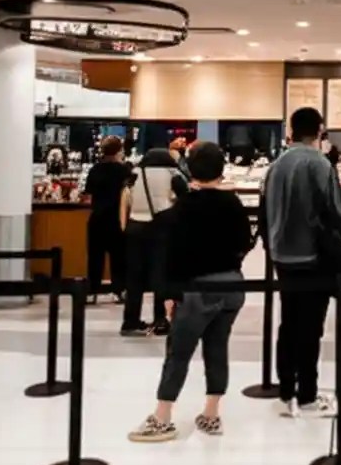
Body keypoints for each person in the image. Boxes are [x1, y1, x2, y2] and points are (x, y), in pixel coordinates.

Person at [129, 142, 250, 442]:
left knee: (179, 353)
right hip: (232, 286)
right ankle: (211, 413)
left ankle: (163, 416)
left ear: (189, 169)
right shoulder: (233, 204)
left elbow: (172, 256)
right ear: (221, 170)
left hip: (196, 290)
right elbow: (245, 242)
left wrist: (170, 294)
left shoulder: (181, 209)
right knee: (217, 347)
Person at [263, 106, 341, 418]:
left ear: (291, 129)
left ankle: (286, 388)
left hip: (281, 256)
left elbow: (264, 211)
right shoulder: (319, 163)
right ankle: (309, 395)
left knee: (289, 323)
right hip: (312, 257)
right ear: (319, 130)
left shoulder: (276, 165)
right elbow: (334, 212)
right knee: (311, 327)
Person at [124, 147, 189, 336]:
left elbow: (127, 198)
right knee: (160, 273)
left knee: (134, 277)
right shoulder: (173, 174)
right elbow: (185, 199)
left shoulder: (135, 173)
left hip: (135, 226)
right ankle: (160, 319)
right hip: (161, 227)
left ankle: (130, 320)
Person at [83, 136, 130, 305]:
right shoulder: (124, 170)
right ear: (119, 151)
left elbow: (88, 195)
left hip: (97, 218)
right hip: (117, 218)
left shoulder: (95, 169)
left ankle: (92, 291)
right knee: (118, 257)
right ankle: (119, 290)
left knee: (95, 257)